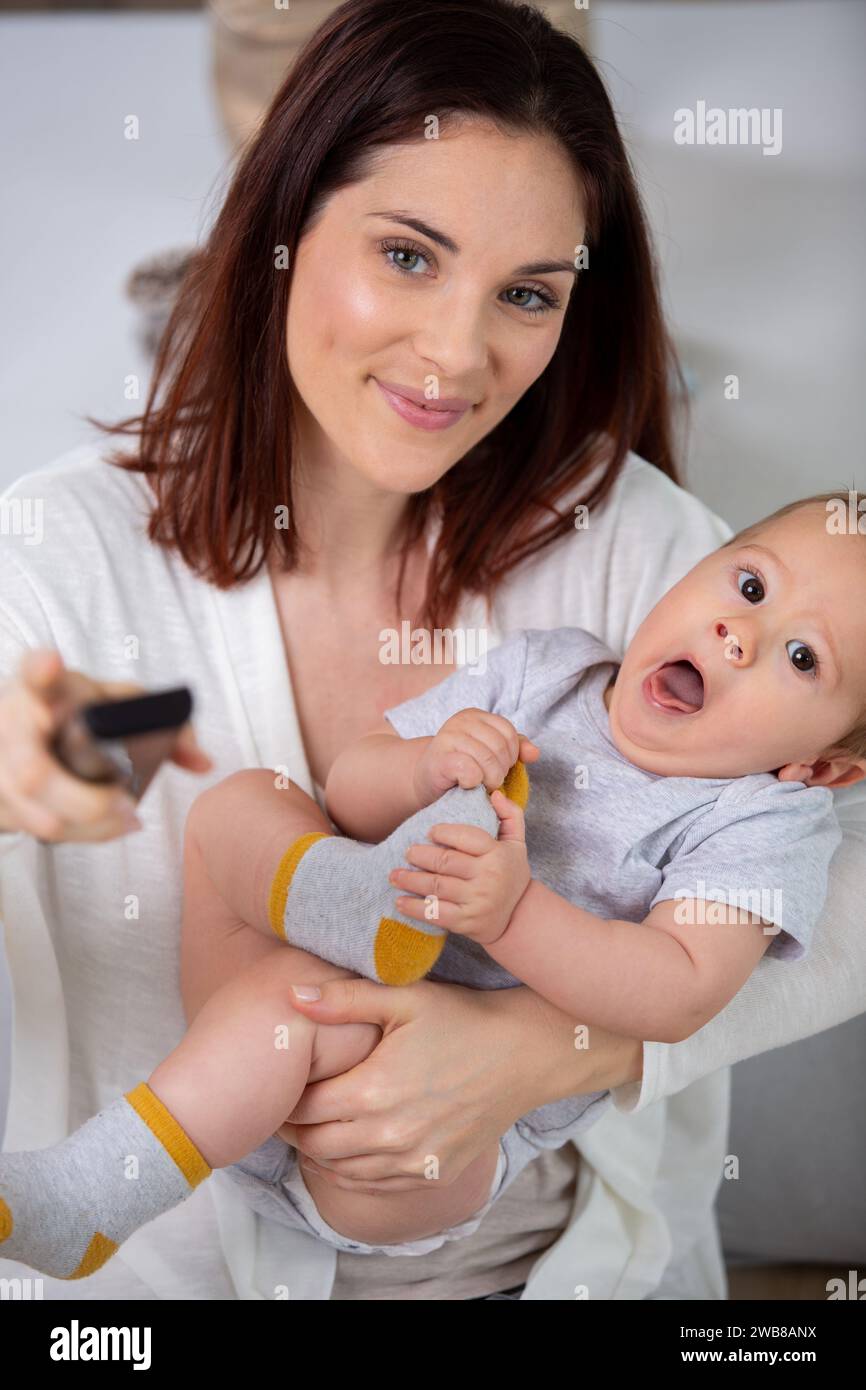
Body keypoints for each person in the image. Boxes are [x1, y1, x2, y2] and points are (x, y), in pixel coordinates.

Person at [0, 0, 863, 1301]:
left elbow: (816, 885)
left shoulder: (631, 543)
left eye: (526, 292)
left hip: (541, 1270)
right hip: (161, 1292)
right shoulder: (54, 551)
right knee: (251, 817)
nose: (458, 355)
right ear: (285, 227)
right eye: (408, 255)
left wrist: (553, 1044)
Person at [1, 493, 863, 1282]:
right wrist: (425, 764)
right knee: (245, 802)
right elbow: (349, 789)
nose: (736, 638)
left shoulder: (759, 819)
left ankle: (85, 1198)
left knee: (294, 1006)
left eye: (799, 657)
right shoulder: (547, 671)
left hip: (417, 1141)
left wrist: (515, 914)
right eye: (748, 585)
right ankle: (358, 902)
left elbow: (681, 988)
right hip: (251, 1026)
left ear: (819, 765)